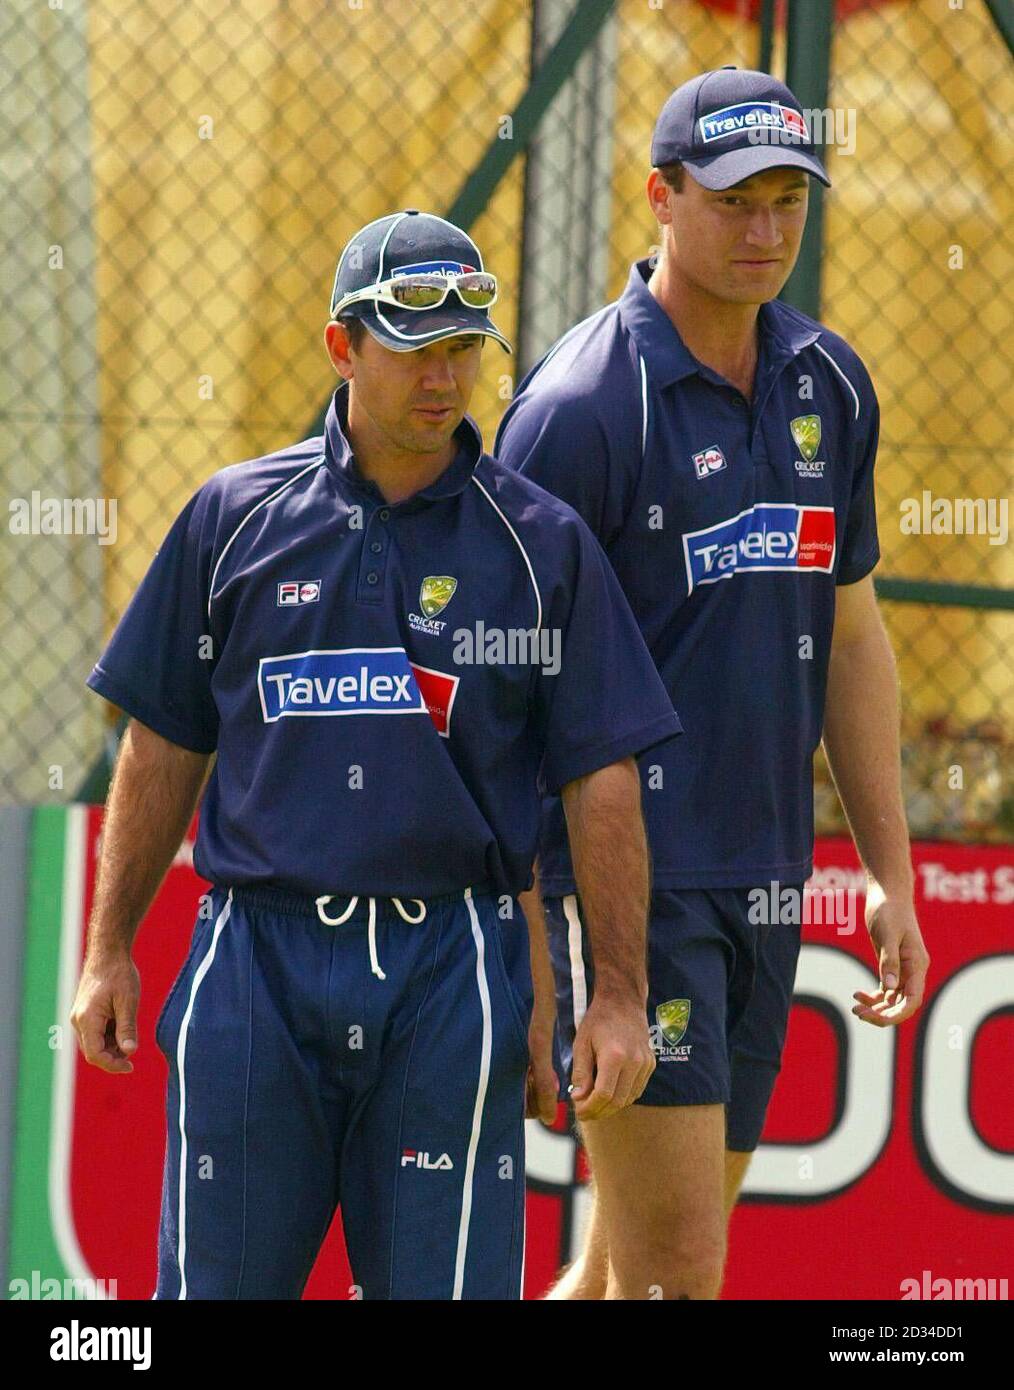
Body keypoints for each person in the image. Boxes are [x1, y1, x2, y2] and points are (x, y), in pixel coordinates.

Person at [72, 209, 681, 1300]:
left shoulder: (540, 543)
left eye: (463, 349)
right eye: (415, 348)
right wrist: (108, 945)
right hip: (255, 959)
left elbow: (602, 774)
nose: (444, 377)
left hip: (452, 972)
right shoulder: (233, 518)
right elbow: (163, 734)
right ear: (342, 347)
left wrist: (619, 994)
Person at [495, 68, 930, 1300]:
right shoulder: (579, 408)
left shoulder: (830, 387)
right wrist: (538, 935)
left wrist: (888, 875)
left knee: (623, 1271)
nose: (766, 230)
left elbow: (850, 640)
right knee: (683, 1278)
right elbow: (503, 695)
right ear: (659, 198)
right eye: (735, 200)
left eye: (789, 199)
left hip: (768, 878)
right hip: (630, 890)